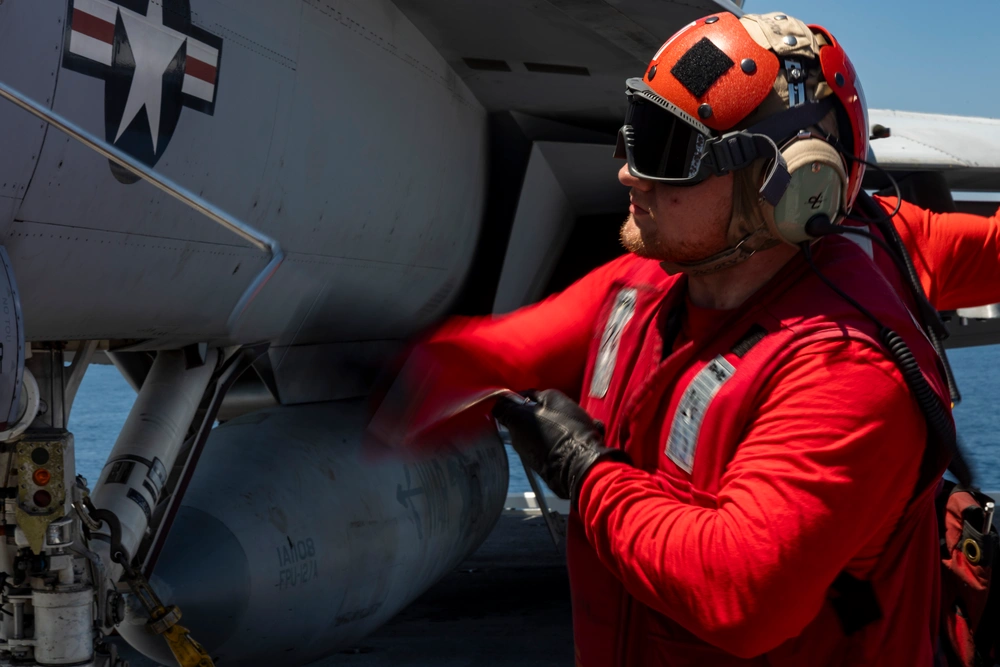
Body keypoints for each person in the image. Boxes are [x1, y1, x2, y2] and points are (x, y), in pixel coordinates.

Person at [370, 11, 1000, 666]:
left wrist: (586, 473)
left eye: (665, 151)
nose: (627, 174)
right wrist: (387, 385)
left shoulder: (845, 373)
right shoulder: (645, 285)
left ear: (785, 185)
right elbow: (496, 353)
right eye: (634, 135)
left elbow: (743, 597)